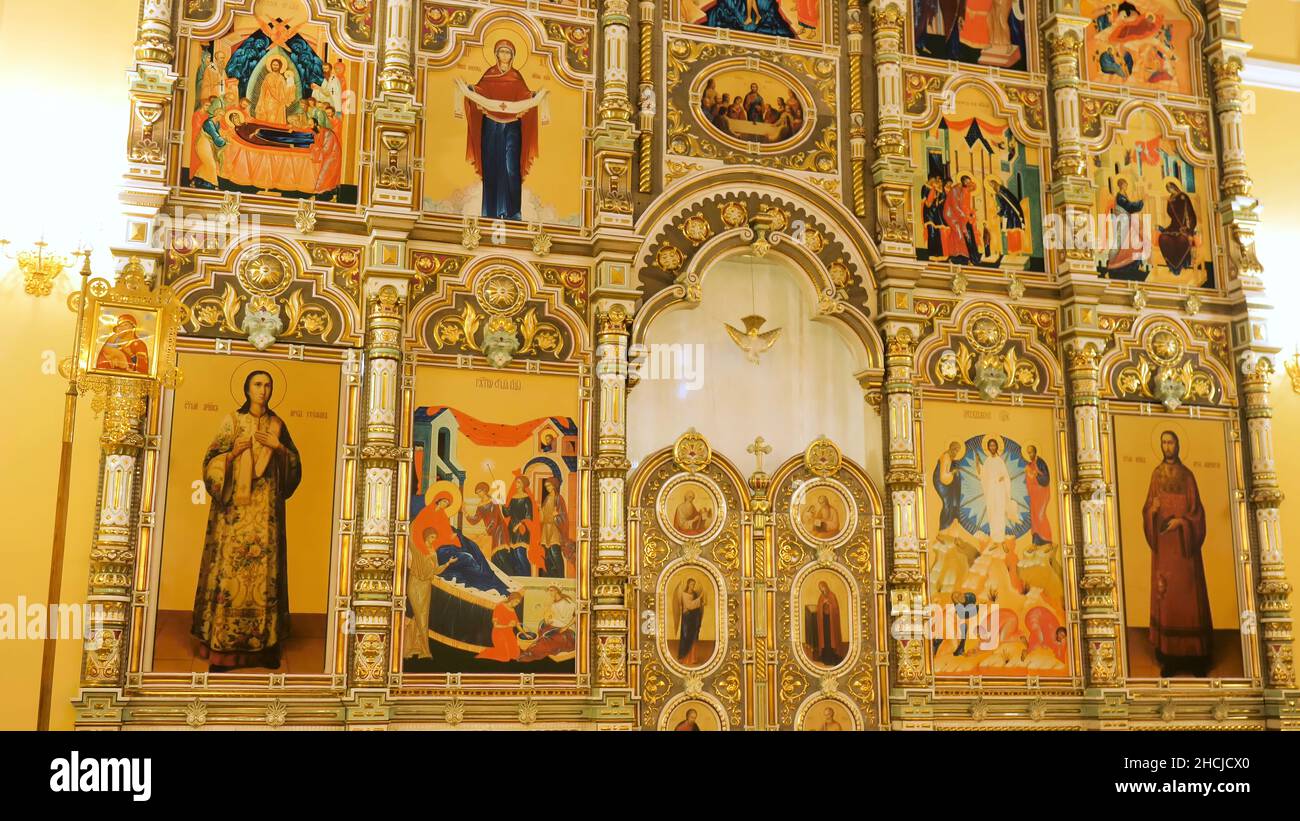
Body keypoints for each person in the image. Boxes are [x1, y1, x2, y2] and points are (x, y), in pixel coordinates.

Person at [192, 371, 302, 671]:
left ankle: (265, 650)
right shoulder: (233, 421)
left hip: (266, 514)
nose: (263, 391)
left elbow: (294, 467)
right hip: (234, 517)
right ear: (246, 388)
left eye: (268, 386)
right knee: (231, 573)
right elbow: (210, 463)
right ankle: (224, 650)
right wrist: (231, 455)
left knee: (264, 577)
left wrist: (279, 449)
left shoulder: (278, 425)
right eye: (258, 385)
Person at [1142, 431, 1211, 676]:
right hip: (1165, 550)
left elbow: (1197, 513)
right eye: (1163, 442)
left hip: (1185, 551)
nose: (1167, 446)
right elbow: (1148, 509)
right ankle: (1169, 655)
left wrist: (1182, 522)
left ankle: (1196, 656)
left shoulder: (1188, 477)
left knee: (1189, 600)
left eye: (1170, 442)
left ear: (1178, 445)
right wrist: (1152, 510)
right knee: (1168, 598)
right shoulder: (1156, 475)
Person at [455, 39, 548, 221]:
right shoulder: (489, 75)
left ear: (512, 56)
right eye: (502, 52)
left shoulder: (516, 76)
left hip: (512, 126)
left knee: (511, 168)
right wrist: (470, 89)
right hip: (491, 126)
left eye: (508, 53)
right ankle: (489, 212)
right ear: (496, 54)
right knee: (491, 167)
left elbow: (524, 95)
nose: (504, 56)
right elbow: (480, 90)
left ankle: (514, 212)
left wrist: (535, 95)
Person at [516, 586, 576, 662]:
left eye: (551, 590)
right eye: (549, 591)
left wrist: (566, 627)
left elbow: (576, 615)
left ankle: (532, 652)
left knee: (548, 639)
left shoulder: (567, 601)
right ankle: (531, 650)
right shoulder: (554, 603)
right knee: (542, 630)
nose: (549, 593)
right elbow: (556, 617)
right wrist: (549, 620)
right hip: (555, 625)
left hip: (566, 628)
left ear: (557, 591)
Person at [977, 438, 1014, 547]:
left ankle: (1001, 540)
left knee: (999, 513)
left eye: (994, 445)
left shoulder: (999, 461)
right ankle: (994, 540)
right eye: (990, 446)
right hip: (991, 491)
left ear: (997, 447)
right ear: (988, 448)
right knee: (992, 513)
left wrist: (1003, 479)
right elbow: (983, 475)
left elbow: (1006, 476)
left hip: (1000, 491)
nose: (992, 447)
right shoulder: (988, 461)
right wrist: (978, 463)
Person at [1157, 181, 1198, 276]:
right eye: (1167, 189)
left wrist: (1189, 228)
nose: (1169, 190)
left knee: (1182, 240)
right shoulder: (1170, 199)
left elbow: (1189, 212)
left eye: (1170, 188)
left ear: (1174, 187)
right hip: (1174, 225)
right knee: (1163, 238)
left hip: (1184, 225)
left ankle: (1181, 265)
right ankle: (1172, 265)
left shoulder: (1183, 196)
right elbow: (1170, 213)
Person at [476, 591, 525, 662]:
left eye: (518, 603)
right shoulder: (500, 607)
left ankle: (503, 650)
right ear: (512, 599)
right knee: (505, 658)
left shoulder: (512, 610)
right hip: (499, 633)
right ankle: (486, 652)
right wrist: (507, 625)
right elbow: (496, 626)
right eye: (516, 602)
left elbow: (517, 624)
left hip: (509, 634)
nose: (517, 604)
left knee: (515, 655)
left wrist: (525, 634)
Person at [504, 474, 538, 576]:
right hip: (511, 527)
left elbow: (528, 516)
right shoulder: (513, 497)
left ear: (523, 484)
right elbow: (507, 514)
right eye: (516, 482)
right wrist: (503, 506)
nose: (516, 484)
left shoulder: (527, 498)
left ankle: (527, 576)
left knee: (520, 553)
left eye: (518, 482)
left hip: (522, 528)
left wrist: (518, 526)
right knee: (513, 553)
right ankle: (518, 576)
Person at [806, 580, 844, 666]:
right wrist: (822, 605)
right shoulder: (821, 597)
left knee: (832, 639)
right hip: (824, 622)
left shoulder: (832, 595)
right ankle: (825, 657)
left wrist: (829, 604)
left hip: (831, 622)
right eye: (820, 588)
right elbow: (819, 609)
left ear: (826, 586)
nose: (822, 590)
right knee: (826, 639)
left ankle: (833, 657)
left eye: (822, 587)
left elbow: (835, 609)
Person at [539, 477, 569, 578]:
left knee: (555, 551)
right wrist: (540, 510)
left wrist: (557, 515)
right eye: (546, 486)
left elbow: (564, 515)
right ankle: (547, 575)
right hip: (546, 528)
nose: (547, 488)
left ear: (554, 486)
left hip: (555, 527)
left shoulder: (558, 498)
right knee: (546, 553)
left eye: (549, 486)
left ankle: (560, 576)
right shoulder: (547, 498)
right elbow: (542, 516)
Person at [1023, 444, 1052, 546]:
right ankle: (1036, 541)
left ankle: (1047, 539)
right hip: (1034, 495)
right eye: (1028, 453)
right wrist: (1028, 472)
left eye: (1031, 452)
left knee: (1040, 515)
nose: (1029, 454)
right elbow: (1028, 480)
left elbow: (1046, 479)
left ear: (1035, 452)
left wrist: (1034, 473)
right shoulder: (1030, 465)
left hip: (1042, 494)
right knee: (1034, 517)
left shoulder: (1040, 462)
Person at [674, 578, 707, 664]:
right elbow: (690, 606)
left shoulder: (694, 594)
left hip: (693, 620)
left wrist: (701, 602)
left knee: (693, 638)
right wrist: (700, 598)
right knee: (686, 638)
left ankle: (692, 659)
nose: (693, 586)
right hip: (687, 620)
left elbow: (697, 606)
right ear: (688, 584)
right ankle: (685, 658)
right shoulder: (684, 594)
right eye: (692, 584)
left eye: (694, 584)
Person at [254, 57, 294, 124]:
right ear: (271, 66)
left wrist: (291, 84)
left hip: (279, 103)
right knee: (270, 120)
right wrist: (261, 102)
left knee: (278, 121)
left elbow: (285, 89)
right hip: (269, 102)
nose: (275, 66)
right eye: (274, 65)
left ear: (280, 66)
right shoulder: (268, 76)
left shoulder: (281, 78)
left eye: (277, 65)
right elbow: (263, 90)